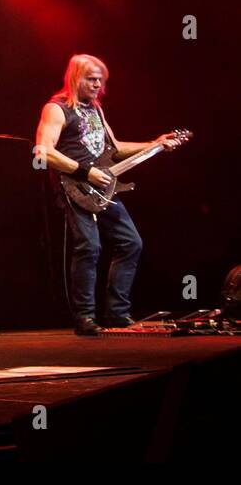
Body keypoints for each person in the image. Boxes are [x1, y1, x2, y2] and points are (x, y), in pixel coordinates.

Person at [34, 54, 184, 335]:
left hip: (103, 186)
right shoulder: (56, 109)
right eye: (91, 79)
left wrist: (155, 144)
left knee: (131, 242)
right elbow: (43, 151)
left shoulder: (96, 109)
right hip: (75, 186)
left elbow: (115, 149)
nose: (97, 85)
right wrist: (84, 172)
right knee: (89, 247)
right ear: (76, 78)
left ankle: (116, 312)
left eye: (100, 80)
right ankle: (85, 317)